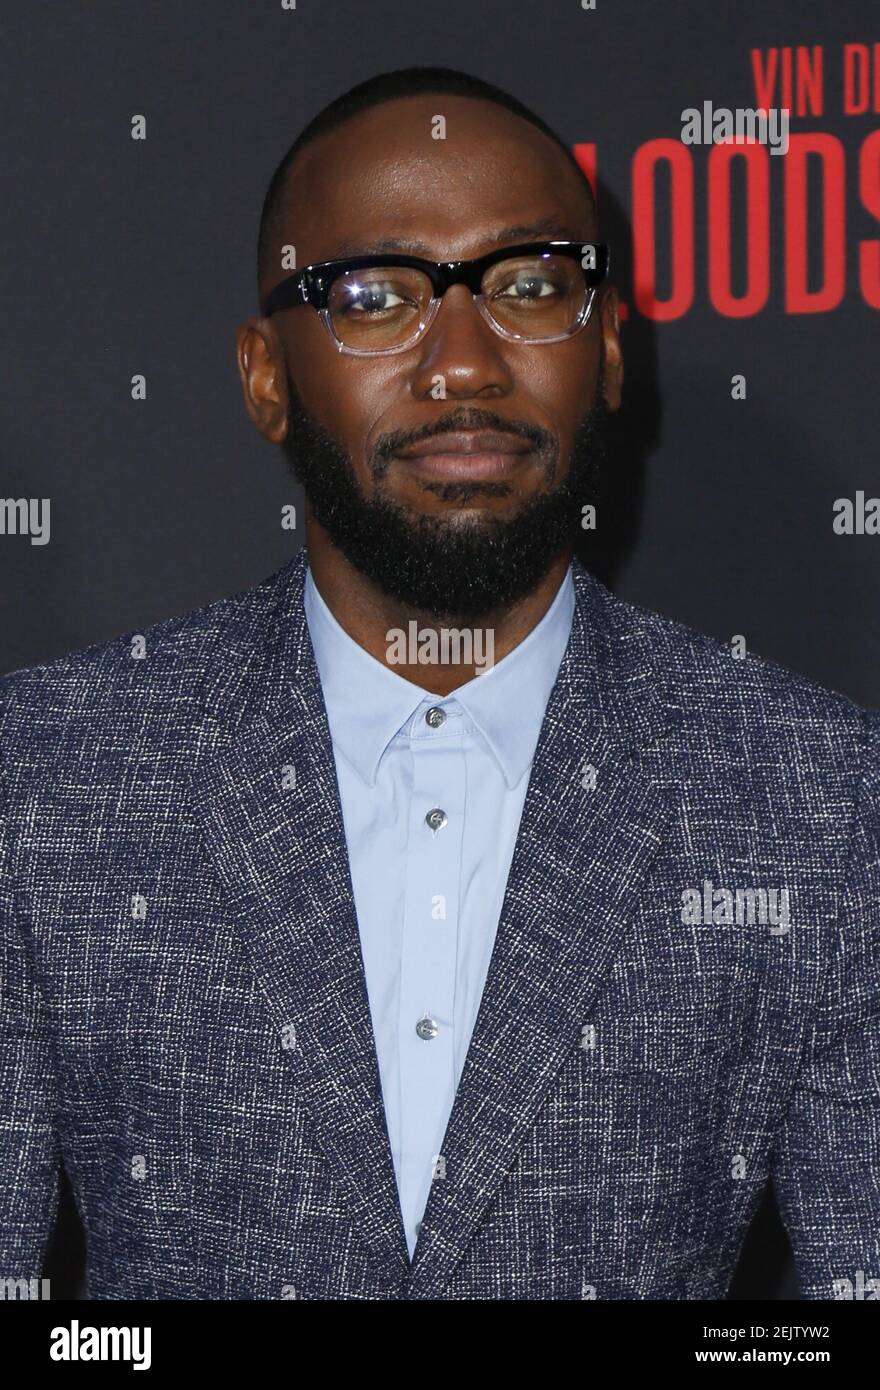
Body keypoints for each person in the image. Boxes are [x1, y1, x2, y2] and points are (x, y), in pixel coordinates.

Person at [1, 66, 878, 1302]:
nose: (463, 362)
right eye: (375, 295)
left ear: (610, 350)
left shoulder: (821, 799)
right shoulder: (47, 780)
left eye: (528, 286)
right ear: (264, 377)